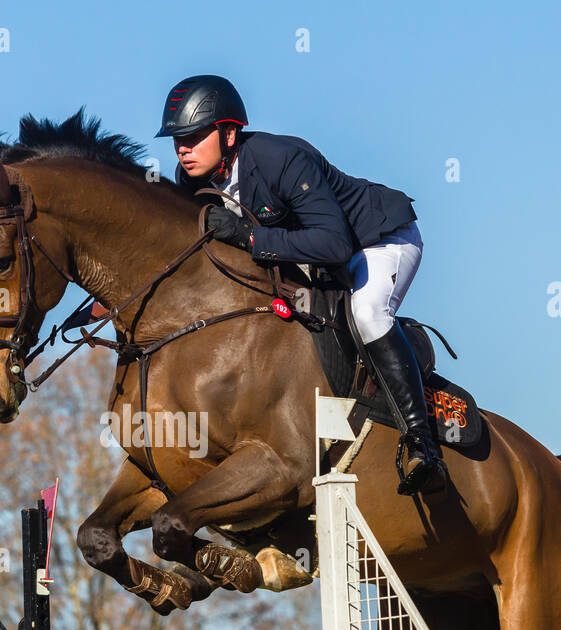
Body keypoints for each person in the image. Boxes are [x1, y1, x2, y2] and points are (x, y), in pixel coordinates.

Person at [156, 75, 446, 496]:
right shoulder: (193, 182)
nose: (183, 148)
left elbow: (333, 243)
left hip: (378, 239)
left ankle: (421, 442)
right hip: (322, 257)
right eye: (178, 138)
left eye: (196, 136)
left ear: (230, 132)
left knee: (366, 314)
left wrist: (249, 237)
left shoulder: (280, 158)